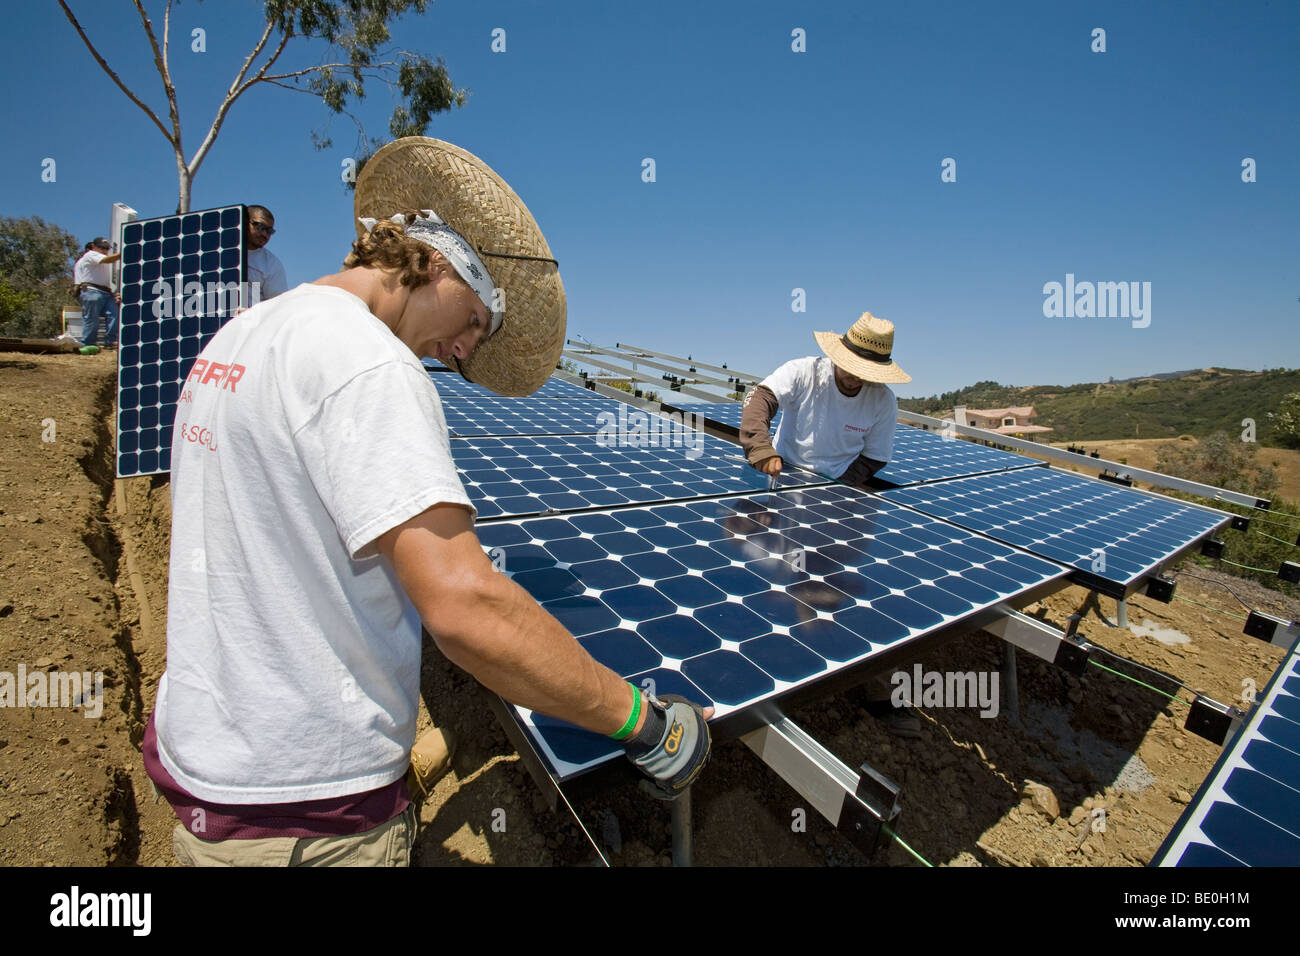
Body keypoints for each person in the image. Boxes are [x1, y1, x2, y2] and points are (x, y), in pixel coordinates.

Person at [144, 138, 711, 866]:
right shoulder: (369, 364)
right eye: (477, 321)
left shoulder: (246, 331)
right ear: (441, 262)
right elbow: (466, 609)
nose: (466, 350)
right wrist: (642, 724)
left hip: (210, 762)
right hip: (305, 805)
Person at [740, 312, 923, 737]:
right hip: (784, 490)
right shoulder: (803, 373)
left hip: (838, 503)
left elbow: (875, 456)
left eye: (867, 373)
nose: (857, 380)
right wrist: (761, 448)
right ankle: (774, 663)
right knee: (778, 570)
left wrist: (839, 491)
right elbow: (760, 401)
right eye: (853, 368)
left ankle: (877, 688)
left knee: (848, 588)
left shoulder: (881, 401)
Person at [74, 237, 120, 347]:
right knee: (92, 318)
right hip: (92, 291)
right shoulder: (91, 255)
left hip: (105, 292)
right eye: (101, 248)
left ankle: (110, 341)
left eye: (107, 248)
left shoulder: (100, 261)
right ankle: (88, 344)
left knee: (114, 314)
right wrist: (124, 252)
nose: (104, 251)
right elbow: (107, 259)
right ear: (94, 247)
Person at [245, 204, 288, 301]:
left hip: (251, 315)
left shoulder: (271, 264)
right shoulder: (215, 253)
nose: (265, 234)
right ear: (245, 222)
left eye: (269, 231)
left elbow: (276, 304)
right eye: (260, 227)